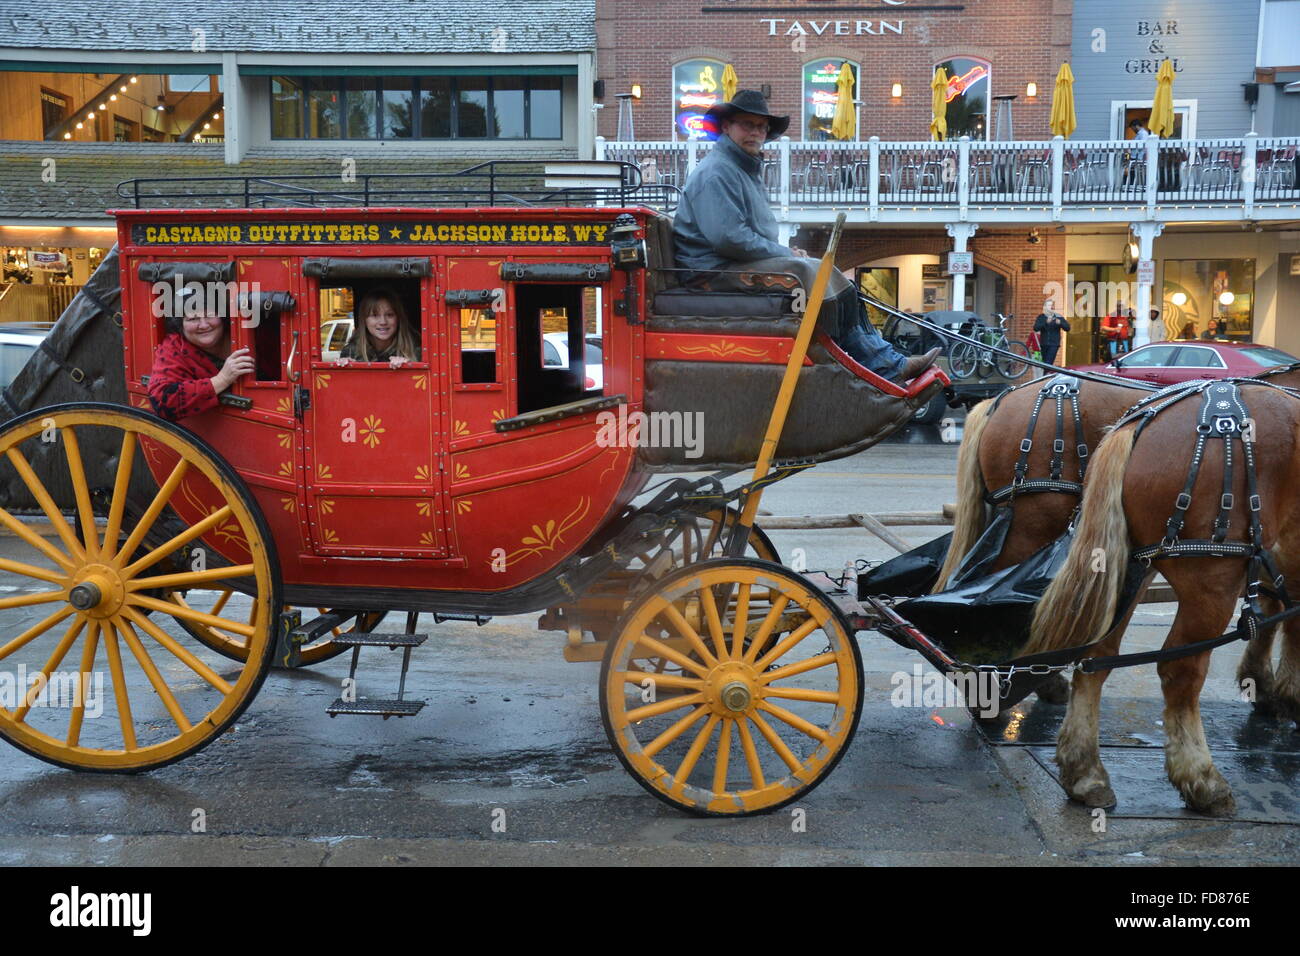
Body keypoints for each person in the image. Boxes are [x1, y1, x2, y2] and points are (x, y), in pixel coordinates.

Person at [672, 89, 938, 384]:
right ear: (726, 126)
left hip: (730, 264)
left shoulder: (739, 169)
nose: (756, 132)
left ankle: (880, 360)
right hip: (710, 273)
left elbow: (747, 236)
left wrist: (782, 252)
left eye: (761, 126)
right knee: (810, 272)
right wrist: (784, 255)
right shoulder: (717, 173)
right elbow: (729, 239)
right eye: (747, 124)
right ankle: (880, 365)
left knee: (827, 274)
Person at [148, 286, 253, 422]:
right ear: (181, 325)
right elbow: (162, 401)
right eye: (193, 319)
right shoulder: (175, 347)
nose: (203, 325)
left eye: (209, 315)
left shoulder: (244, 336)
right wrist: (222, 379)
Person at [337, 288, 420, 367]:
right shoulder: (351, 351)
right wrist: (348, 370)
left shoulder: (415, 349)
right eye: (375, 315)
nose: (383, 322)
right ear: (364, 320)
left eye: (389, 315)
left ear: (398, 318)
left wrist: (408, 367)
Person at [1032, 298, 1070, 366]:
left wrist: (1060, 323)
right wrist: (1045, 322)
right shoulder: (1041, 317)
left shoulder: (1058, 317)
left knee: (1048, 363)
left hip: (1054, 344)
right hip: (1044, 344)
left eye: (1052, 305)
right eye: (1049, 305)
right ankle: (1046, 375)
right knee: (1046, 364)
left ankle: (1045, 375)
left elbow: (1067, 328)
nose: (1051, 307)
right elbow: (1036, 328)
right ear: (1045, 307)